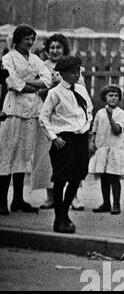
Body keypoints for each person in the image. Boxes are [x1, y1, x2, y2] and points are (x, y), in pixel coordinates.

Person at [0, 24, 53, 214]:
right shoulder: (8, 58)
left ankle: (18, 200)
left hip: (32, 110)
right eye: (26, 39)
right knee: (8, 153)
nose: (30, 42)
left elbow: (48, 79)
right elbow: (11, 82)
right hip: (13, 110)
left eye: (32, 39)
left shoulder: (36, 59)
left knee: (23, 155)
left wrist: (28, 84)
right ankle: (1, 201)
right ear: (17, 40)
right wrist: (33, 85)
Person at [38, 55, 93, 234]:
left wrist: (85, 128)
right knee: (61, 178)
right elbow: (43, 118)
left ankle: (65, 213)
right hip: (63, 139)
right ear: (62, 74)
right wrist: (54, 137)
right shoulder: (55, 93)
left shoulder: (81, 90)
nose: (76, 75)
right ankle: (59, 217)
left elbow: (89, 111)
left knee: (77, 176)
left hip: (80, 138)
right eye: (72, 72)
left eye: (78, 71)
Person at [32, 33, 71, 208]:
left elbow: (78, 89)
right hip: (46, 115)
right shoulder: (42, 67)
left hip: (65, 116)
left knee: (67, 156)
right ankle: (50, 196)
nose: (55, 51)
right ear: (47, 51)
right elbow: (38, 89)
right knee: (45, 157)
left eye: (58, 47)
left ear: (64, 50)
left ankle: (71, 196)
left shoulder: (70, 66)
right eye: (52, 48)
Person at [89, 86, 124, 214]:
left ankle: (116, 203)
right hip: (102, 148)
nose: (113, 98)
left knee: (114, 176)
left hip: (115, 148)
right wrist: (92, 142)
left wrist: (110, 117)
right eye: (110, 95)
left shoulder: (120, 113)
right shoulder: (99, 113)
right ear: (105, 97)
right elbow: (95, 129)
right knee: (103, 177)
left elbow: (117, 130)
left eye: (116, 95)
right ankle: (106, 203)